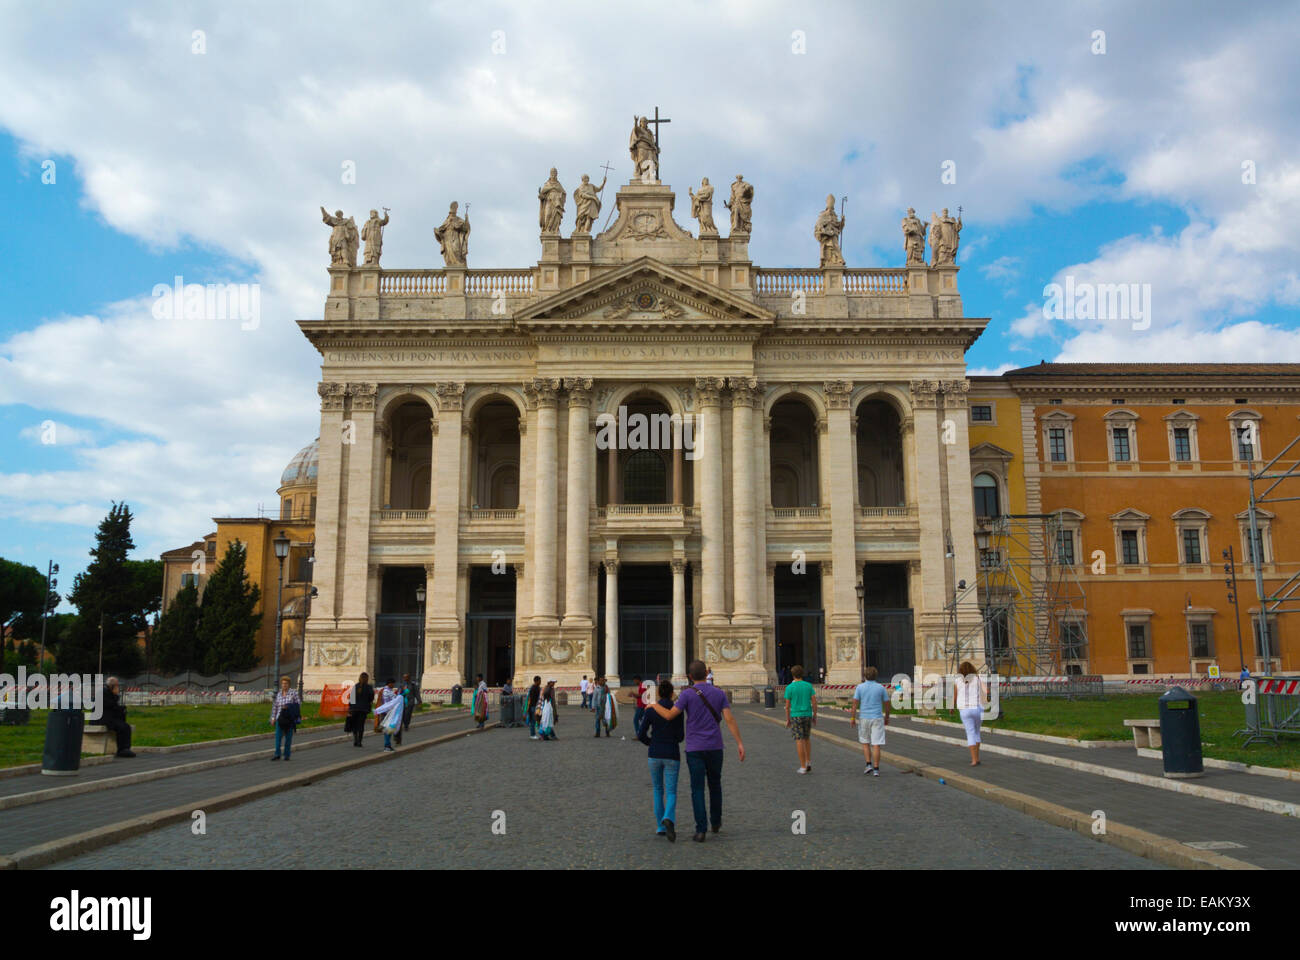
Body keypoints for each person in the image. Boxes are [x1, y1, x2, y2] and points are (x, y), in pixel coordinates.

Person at [647, 660, 745, 843]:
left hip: (694, 748)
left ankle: (701, 830)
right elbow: (729, 719)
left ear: (690, 676)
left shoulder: (686, 695)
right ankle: (716, 822)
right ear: (707, 672)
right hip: (715, 746)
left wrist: (653, 705)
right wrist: (739, 743)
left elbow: (669, 715)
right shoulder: (719, 693)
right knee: (715, 785)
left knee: (697, 789)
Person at [637, 679, 684, 841]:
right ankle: (669, 818)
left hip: (654, 753)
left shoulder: (650, 710)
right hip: (671, 753)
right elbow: (680, 736)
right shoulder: (677, 709)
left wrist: (652, 743)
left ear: (658, 693)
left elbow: (641, 734)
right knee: (671, 791)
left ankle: (660, 826)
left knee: (658, 790)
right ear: (672, 693)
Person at [851, 666, 891, 776]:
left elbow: (855, 704)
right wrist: (887, 717)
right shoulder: (881, 688)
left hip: (864, 717)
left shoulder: (860, 687)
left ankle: (868, 764)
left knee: (865, 742)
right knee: (876, 744)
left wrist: (853, 718)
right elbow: (887, 704)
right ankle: (876, 768)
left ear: (865, 676)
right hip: (877, 717)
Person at [783, 664, 817, 774]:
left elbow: (787, 706)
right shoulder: (808, 686)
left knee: (799, 740)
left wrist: (788, 719)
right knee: (807, 738)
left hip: (796, 715)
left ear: (792, 675)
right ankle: (808, 762)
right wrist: (814, 715)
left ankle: (802, 766)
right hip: (807, 714)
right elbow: (814, 702)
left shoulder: (789, 688)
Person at [955, 661, 986, 766]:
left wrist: (951, 707)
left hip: (964, 710)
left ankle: (973, 760)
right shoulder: (978, 678)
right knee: (977, 732)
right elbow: (986, 692)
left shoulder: (958, 680)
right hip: (977, 708)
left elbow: (955, 696)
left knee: (970, 733)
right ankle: (977, 758)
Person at [101, 677, 135, 758]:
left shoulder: (108, 692)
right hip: (102, 719)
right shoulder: (104, 693)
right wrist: (116, 696)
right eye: (117, 685)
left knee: (126, 726)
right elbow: (110, 705)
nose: (118, 687)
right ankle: (122, 749)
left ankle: (125, 748)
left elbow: (113, 706)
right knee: (122, 727)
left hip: (108, 717)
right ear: (112, 686)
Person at [270, 675, 301, 761]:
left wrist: (288, 706)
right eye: (283, 684)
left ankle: (287, 755)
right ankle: (277, 754)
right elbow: (275, 706)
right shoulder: (279, 694)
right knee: (278, 737)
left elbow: (298, 704)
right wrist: (273, 718)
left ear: (289, 684)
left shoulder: (293, 693)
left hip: (289, 719)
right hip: (280, 718)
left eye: (286, 683)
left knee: (288, 737)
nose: (284, 685)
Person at [373, 680, 406, 752]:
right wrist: (400, 696)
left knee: (389, 729)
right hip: (388, 713)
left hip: (388, 712)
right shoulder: (386, 691)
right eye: (393, 684)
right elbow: (390, 702)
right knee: (388, 729)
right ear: (389, 683)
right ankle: (387, 746)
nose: (393, 685)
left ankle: (388, 745)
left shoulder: (388, 691)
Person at [346, 672, 374, 747]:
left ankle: (355, 739)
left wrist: (350, 708)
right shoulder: (369, 687)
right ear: (367, 679)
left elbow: (351, 699)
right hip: (363, 709)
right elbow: (371, 698)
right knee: (361, 726)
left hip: (354, 709)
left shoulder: (356, 686)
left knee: (355, 725)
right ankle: (359, 741)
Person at [526, 675, 543, 740]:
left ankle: (535, 733)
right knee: (533, 721)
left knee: (536, 720)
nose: (540, 682)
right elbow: (532, 699)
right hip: (533, 706)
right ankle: (532, 734)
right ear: (537, 681)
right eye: (540, 681)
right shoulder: (534, 688)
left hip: (535, 706)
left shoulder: (536, 687)